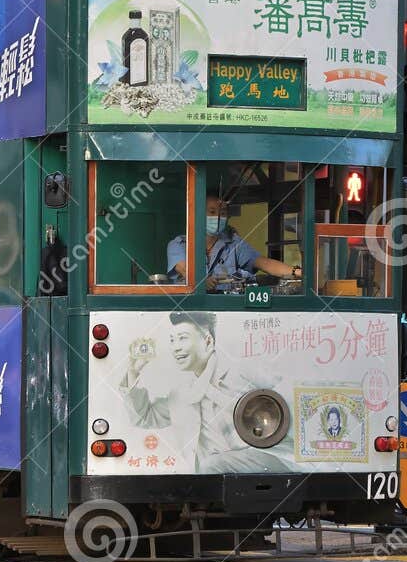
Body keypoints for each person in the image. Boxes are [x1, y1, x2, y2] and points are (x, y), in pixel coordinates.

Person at [117, 312, 289, 474]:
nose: (176, 348)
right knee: (209, 465)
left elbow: (289, 394)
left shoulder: (241, 369)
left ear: (208, 341)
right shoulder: (181, 394)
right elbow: (144, 418)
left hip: (267, 460)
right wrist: (133, 372)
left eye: (182, 338)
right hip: (214, 475)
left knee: (211, 464)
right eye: (172, 340)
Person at [199, 194, 301, 292]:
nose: (218, 217)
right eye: (212, 212)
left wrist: (296, 272)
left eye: (223, 213)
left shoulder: (233, 242)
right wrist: (200, 284)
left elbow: (265, 263)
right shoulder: (189, 244)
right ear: (199, 213)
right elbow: (189, 276)